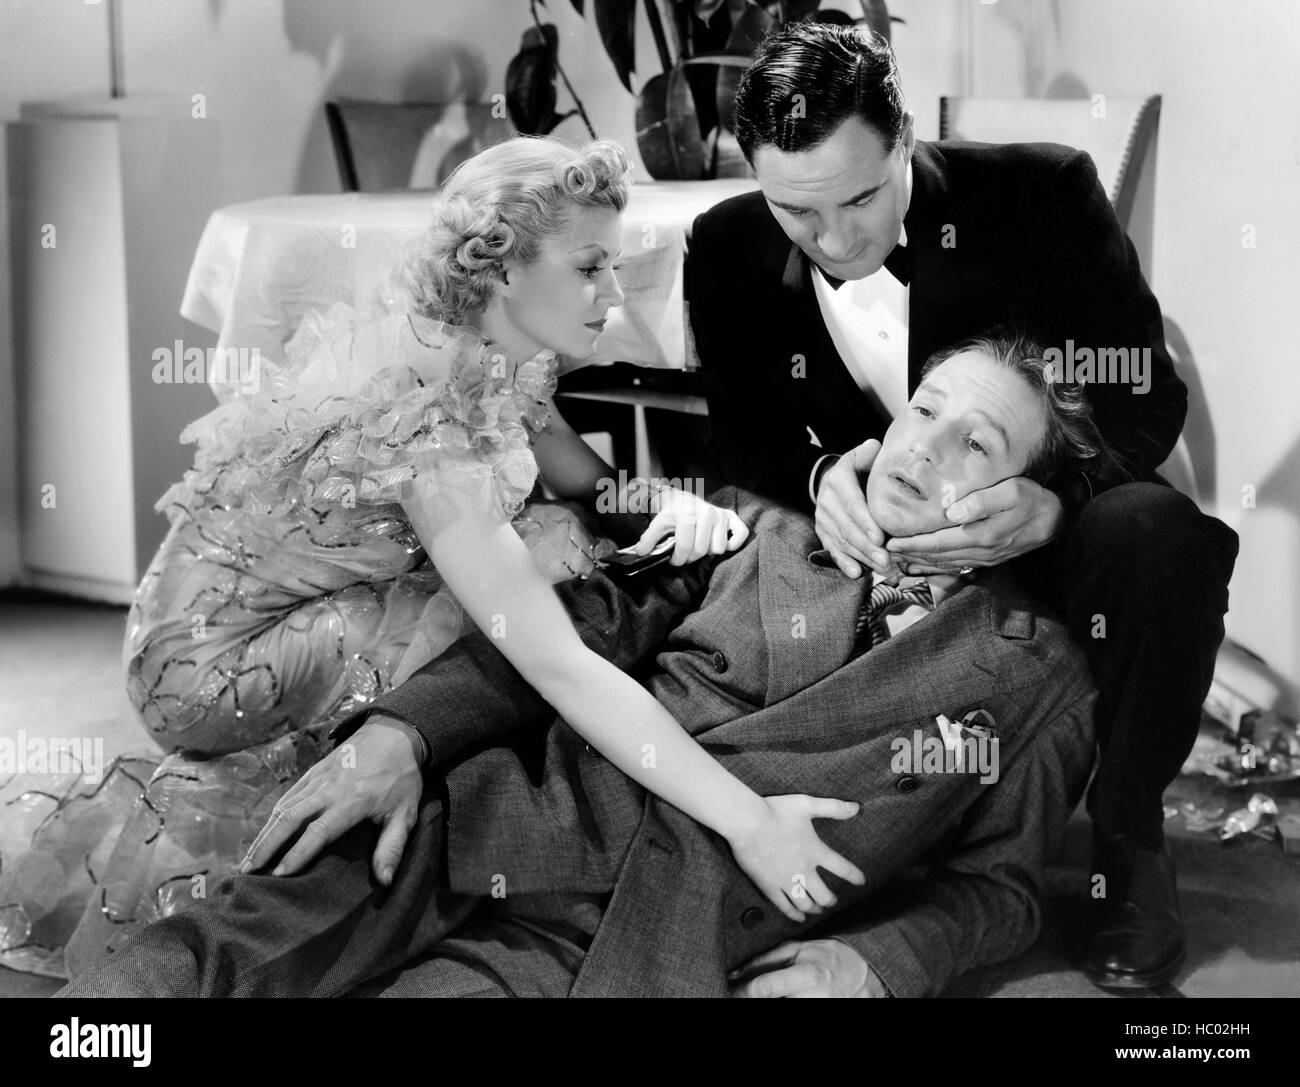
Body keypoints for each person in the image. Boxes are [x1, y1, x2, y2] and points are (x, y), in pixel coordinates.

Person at [6, 137, 861, 980]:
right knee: (530, 596)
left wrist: (664, 502)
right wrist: (745, 819)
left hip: (269, 603)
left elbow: (589, 484)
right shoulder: (427, 414)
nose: (613, 294)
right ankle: (412, 838)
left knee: (558, 545)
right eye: (590, 268)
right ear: (501, 271)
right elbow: (560, 665)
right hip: (197, 663)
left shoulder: (492, 345)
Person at [60, 329, 1103, 999]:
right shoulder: (753, 532)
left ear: (1022, 502)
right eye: (926, 408)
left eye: (978, 444)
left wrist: (875, 961)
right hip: (499, 819)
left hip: (655, 936)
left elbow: (999, 888)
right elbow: (555, 644)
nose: (925, 448)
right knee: (200, 961)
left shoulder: (1034, 673)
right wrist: (402, 732)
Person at [686, 21, 1239, 989]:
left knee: (1159, 539)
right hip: (876, 548)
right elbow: (736, 435)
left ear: (903, 139)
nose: (836, 239)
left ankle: (1127, 838)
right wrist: (823, 478)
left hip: (1037, 514)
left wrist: (1055, 501)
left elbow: (1146, 394)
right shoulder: (724, 246)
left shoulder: (1042, 193)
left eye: (858, 197)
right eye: (796, 212)